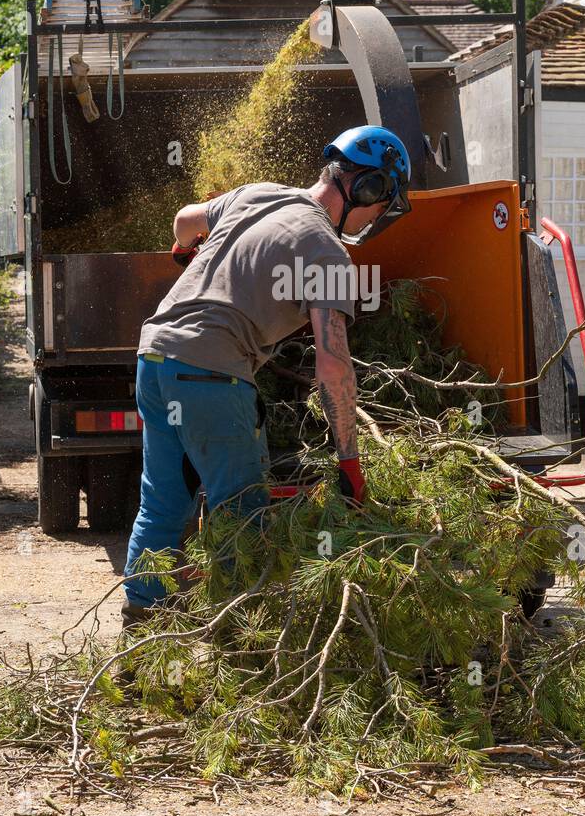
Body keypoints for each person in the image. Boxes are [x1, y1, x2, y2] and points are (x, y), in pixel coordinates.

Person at [122, 125, 412, 626]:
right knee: (243, 514)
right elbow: (333, 363)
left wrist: (183, 249)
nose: (376, 218)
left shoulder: (261, 193)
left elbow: (185, 219)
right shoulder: (327, 252)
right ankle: (239, 642)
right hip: (212, 376)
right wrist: (349, 458)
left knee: (163, 501)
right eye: (381, 205)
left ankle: (139, 635)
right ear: (371, 190)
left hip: (155, 358)